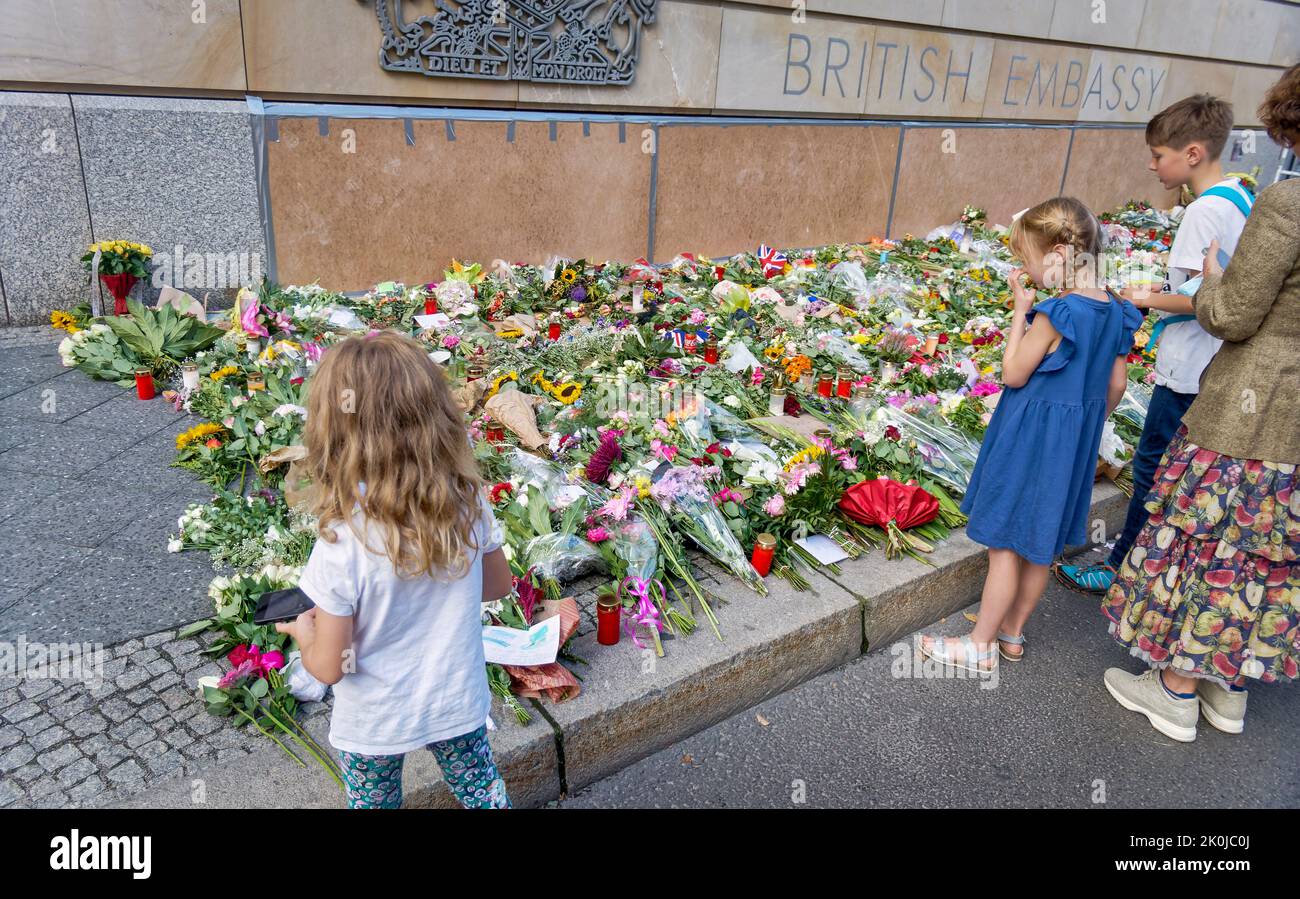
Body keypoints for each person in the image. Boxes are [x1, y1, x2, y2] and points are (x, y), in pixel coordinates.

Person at [1101, 64, 1300, 742]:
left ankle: (1177, 688)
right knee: (1263, 550)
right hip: (1293, 424)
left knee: (1210, 537)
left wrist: (1214, 282)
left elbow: (1236, 312)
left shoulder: (1287, 203)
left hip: (1253, 406)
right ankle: (1228, 688)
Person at [276, 331, 514, 808]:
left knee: (374, 802)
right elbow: (497, 586)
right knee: (482, 791)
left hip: (375, 720)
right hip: (456, 700)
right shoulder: (466, 504)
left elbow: (328, 667)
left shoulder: (343, 540)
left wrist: (304, 635)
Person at [920, 198, 1143, 672]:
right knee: (1040, 546)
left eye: (1027, 260)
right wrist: (1085, 422)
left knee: (1003, 543)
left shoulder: (1057, 312)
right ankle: (1012, 633)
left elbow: (1014, 373)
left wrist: (1021, 312)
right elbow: (1117, 384)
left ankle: (978, 646)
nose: (1026, 270)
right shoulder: (1119, 311)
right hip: (1076, 440)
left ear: (1059, 255)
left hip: (1032, 435)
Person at [1058, 94, 1252, 595]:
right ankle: (1149, 565)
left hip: (1189, 365)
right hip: (1215, 364)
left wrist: (1140, 298)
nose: (1151, 164)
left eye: (1158, 154)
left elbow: (1201, 298)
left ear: (1192, 153)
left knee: (1151, 469)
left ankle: (1122, 570)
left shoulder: (1202, 213)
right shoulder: (1239, 197)